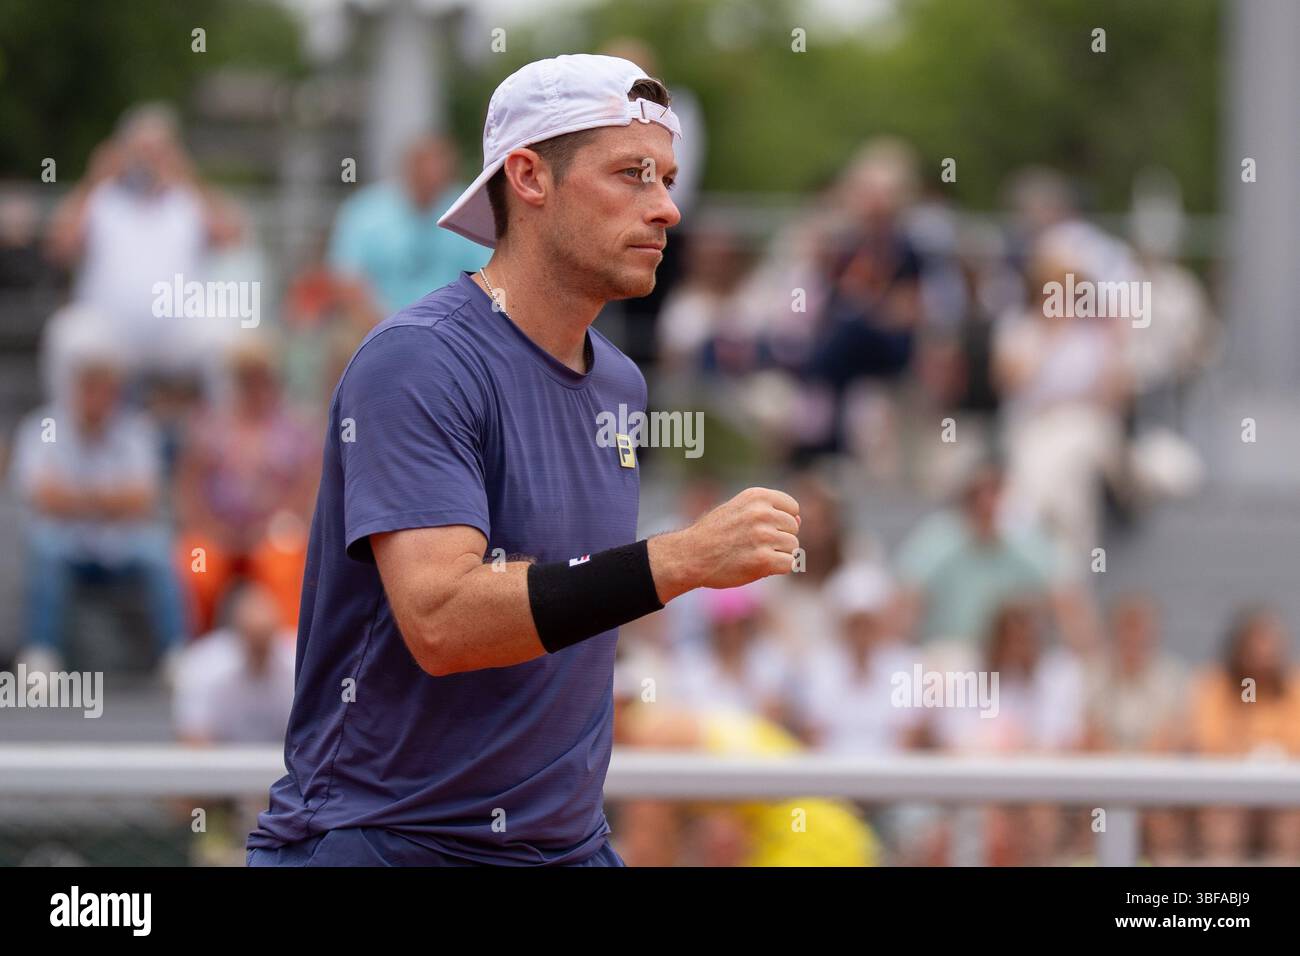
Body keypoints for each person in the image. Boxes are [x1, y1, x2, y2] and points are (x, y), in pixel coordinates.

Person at [247, 55, 802, 867]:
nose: (668, 209)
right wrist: (679, 559)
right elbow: (442, 620)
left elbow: (561, 609)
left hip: (566, 847)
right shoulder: (419, 360)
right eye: (634, 176)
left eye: (669, 180)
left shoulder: (619, 381)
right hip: (393, 845)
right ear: (529, 176)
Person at [11, 314, 186, 672]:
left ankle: (175, 654)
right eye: (88, 386)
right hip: (68, 542)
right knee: (46, 546)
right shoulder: (42, 427)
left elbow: (142, 499)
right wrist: (107, 501)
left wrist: (77, 499)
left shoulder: (135, 430)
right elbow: (42, 496)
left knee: (158, 551)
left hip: (120, 544)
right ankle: (42, 653)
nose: (97, 397)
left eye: (105, 387)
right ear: (73, 387)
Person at [328, 134, 488, 315]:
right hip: (376, 328)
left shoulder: (469, 211)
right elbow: (346, 279)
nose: (432, 174)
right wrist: (383, 329)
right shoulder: (365, 212)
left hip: (452, 329)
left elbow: (486, 277)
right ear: (409, 167)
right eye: (424, 167)